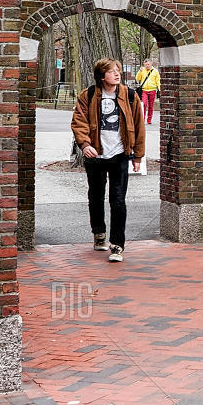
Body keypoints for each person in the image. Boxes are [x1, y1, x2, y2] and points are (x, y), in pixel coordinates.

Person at [70, 58, 145, 262]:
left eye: (118, 71)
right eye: (112, 71)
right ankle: (99, 233)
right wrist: (85, 145)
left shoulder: (129, 95)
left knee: (118, 200)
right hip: (96, 154)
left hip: (120, 154)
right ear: (102, 76)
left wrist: (137, 155)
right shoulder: (89, 95)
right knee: (95, 195)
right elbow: (78, 121)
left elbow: (139, 126)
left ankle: (117, 245)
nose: (117, 74)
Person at [135, 58, 160, 124]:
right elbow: (137, 78)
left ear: (151, 64)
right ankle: (142, 119)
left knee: (151, 106)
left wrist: (159, 89)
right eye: (146, 65)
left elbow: (158, 81)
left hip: (152, 90)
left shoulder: (155, 71)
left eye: (148, 64)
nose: (147, 66)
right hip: (144, 90)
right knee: (144, 104)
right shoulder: (142, 70)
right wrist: (139, 71)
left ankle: (149, 119)